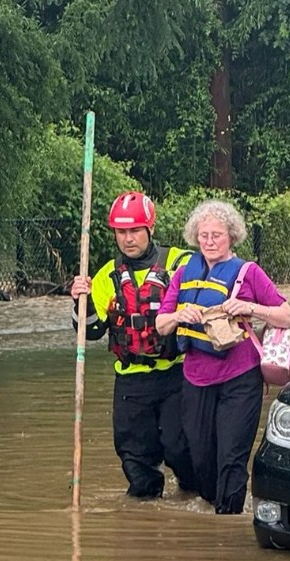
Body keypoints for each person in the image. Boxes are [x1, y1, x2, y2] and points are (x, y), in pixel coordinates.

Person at [155, 200, 290, 514]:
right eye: (204, 235)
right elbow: (161, 325)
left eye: (216, 235)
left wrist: (250, 307)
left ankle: (228, 519)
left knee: (231, 457)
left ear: (231, 236)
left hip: (240, 378)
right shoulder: (183, 274)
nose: (209, 241)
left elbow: (285, 315)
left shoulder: (249, 272)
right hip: (196, 378)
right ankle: (211, 515)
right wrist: (178, 315)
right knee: (200, 455)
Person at [70, 191, 197, 499]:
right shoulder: (106, 276)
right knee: (136, 462)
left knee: (180, 449)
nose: (128, 239)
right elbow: (91, 332)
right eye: (121, 232)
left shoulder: (181, 263)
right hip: (131, 381)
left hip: (176, 376)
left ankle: (193, 498)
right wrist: (80, 302)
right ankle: (142, 517)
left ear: (150, 229)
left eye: (135, 230)